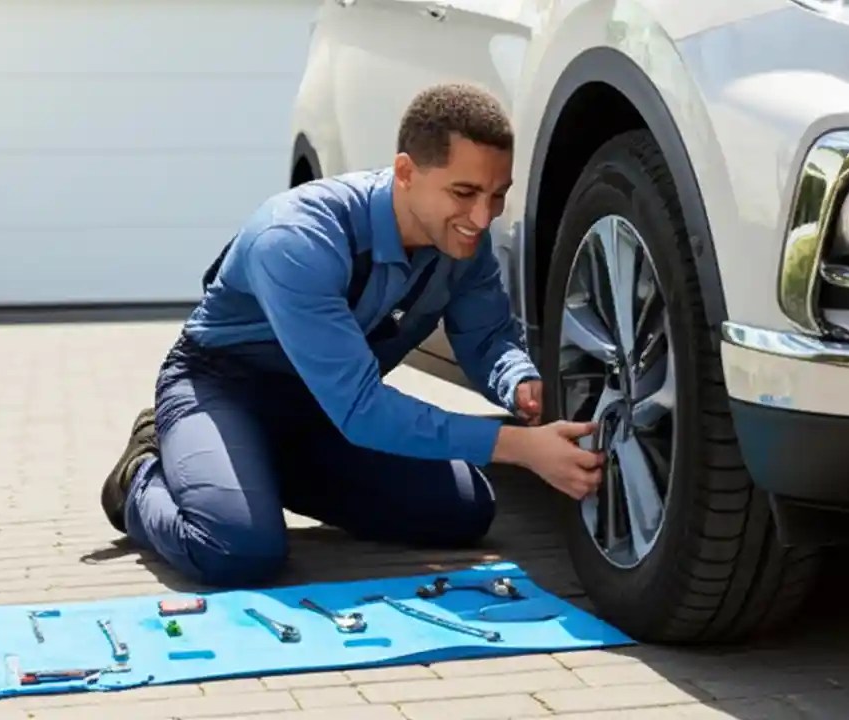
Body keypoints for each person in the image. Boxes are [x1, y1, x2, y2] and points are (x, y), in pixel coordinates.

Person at [100, 82, 604, 587]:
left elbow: (486, 336)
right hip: (222, 388)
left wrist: (518, 380)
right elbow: (363, 409)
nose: (482, 216)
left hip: (322, 410)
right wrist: (521, 447)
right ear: (406, 173)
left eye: (498, 195)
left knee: (464, 509)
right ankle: (143, 474)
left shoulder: (461, 241)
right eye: (465, 192)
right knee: (238, 549)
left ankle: (249, 470)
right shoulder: (296, 239)